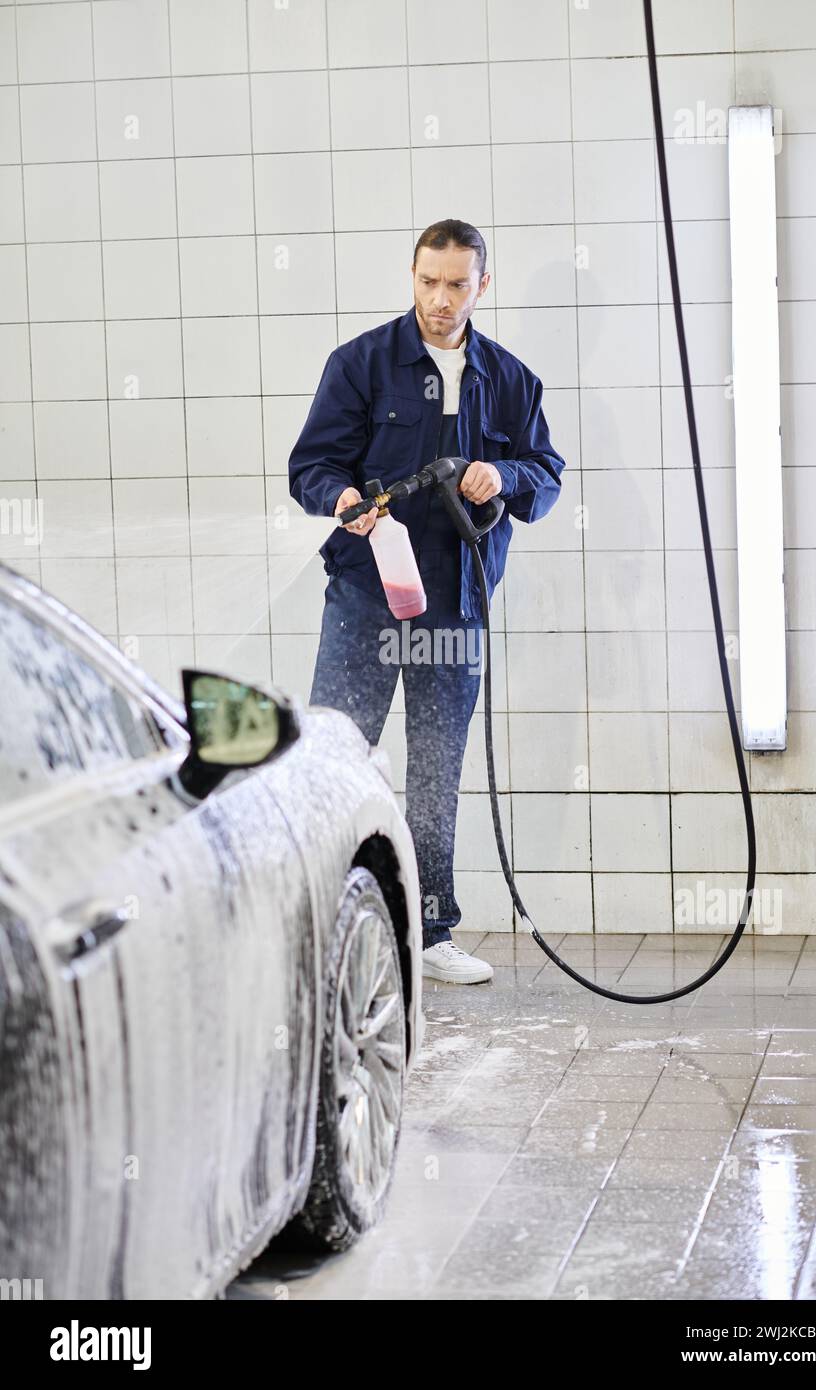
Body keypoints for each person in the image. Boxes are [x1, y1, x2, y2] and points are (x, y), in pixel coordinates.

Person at [288, 219, 565, 984]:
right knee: (337, 756)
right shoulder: (362, 365)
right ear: (412, 276)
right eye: (427, 281)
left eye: (456, 284)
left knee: (437, 766)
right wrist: (342, 494)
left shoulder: (509, 380)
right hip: (366, 595)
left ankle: (429, 932)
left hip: (456, 601)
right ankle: (317, 923)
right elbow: (310, 465)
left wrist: (503, 477)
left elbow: (545, 472)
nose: (440, 300)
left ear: (483, 284)